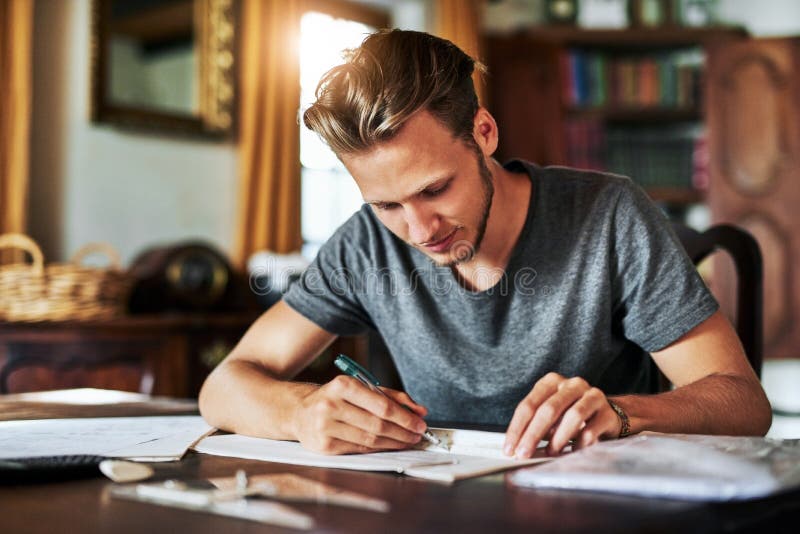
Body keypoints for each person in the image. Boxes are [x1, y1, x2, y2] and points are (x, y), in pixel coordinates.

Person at [199, 29, 771, 458]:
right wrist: (301, 411)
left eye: (435, 189)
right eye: (388, 204)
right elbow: (224, 385)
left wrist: (623, 413)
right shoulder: (365, 246)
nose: (421, 230)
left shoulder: (609, 216)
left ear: (484, 132)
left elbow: (743, 403)